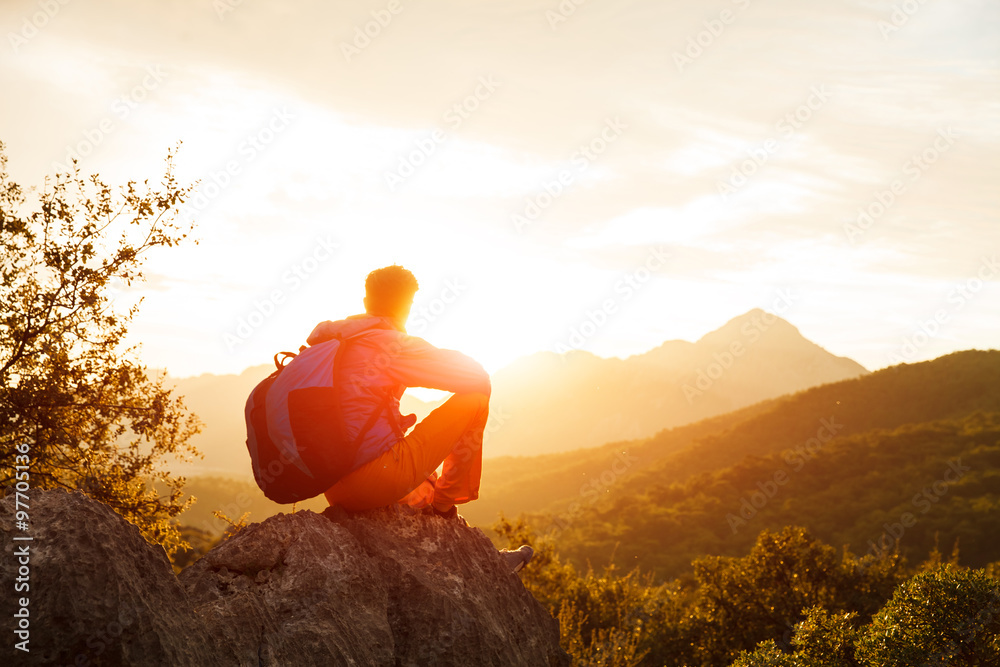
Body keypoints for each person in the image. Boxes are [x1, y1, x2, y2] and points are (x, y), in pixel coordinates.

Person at [307, 265, 532, 572]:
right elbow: (476, 377)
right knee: (476, 399)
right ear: (407, 305)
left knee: (423, 485)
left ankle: (481, 556)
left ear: (365, 301)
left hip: (332, 484)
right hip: (373, 479)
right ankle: (444, 512)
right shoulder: (390, 343)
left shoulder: (333, 341)